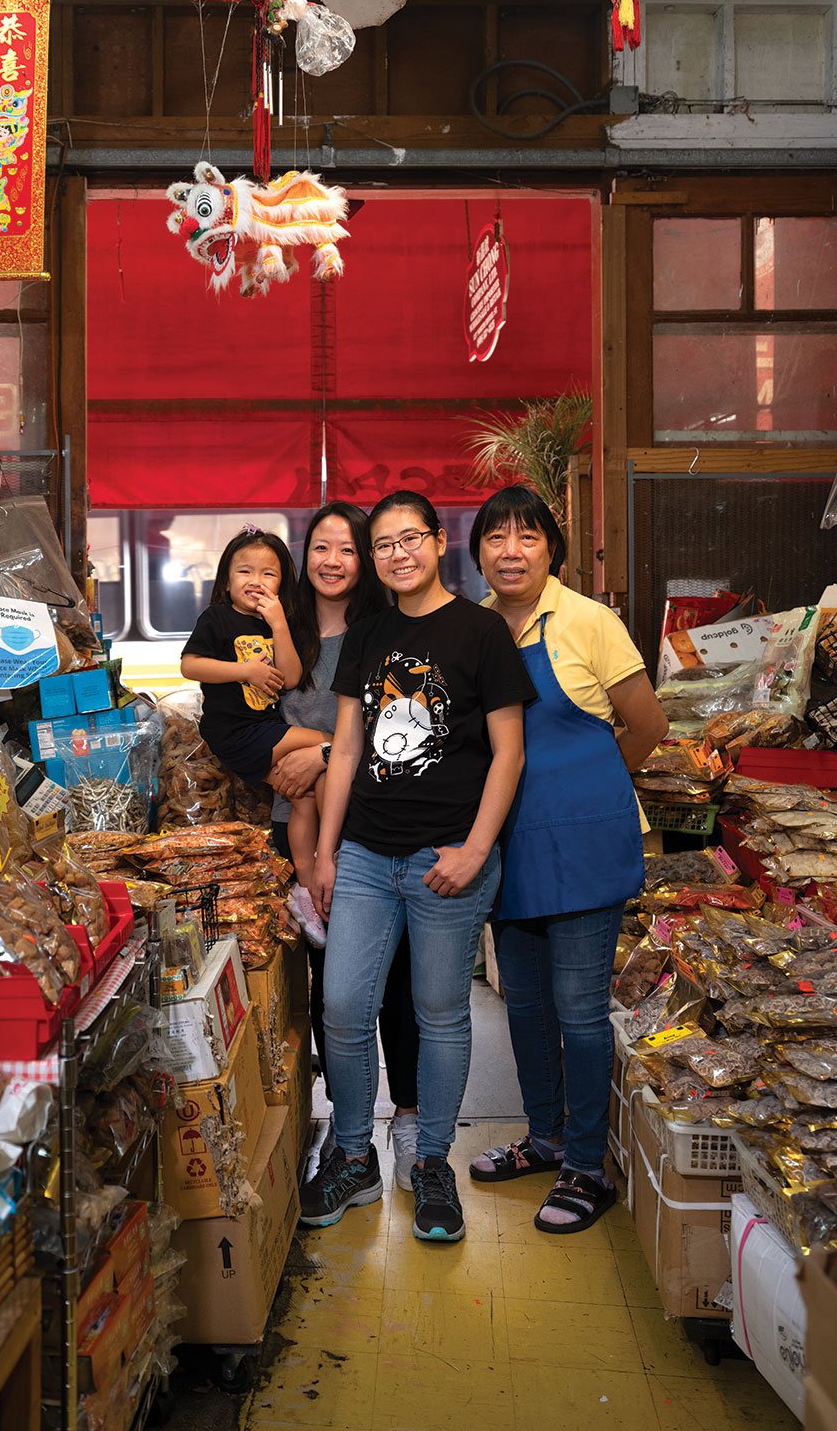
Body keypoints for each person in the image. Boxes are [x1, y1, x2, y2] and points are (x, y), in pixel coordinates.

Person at [299, 490, 535, 1242]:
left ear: (438, 542)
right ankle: (352, 1156)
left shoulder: (482, 631)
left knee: (439, 1012)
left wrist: (476, 850)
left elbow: (509, 753)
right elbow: (345, 751)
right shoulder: (367, 634)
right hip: (367, 855)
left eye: (410, 538)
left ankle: (432, 1161)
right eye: (383, 544)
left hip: (447, 861)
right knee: (343, 1006)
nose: (397, 554)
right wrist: (327, 853)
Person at [468, 484, 668, 1233]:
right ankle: (545, 1137)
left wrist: (590, 788)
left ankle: (587, 1165)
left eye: (527, 536)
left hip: (583, 841)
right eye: (496, 537)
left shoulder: (589, 621)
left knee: (581, 1012)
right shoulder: (473, 628)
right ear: (478, 552)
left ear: (552, 549)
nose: (511, 550)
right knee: (523, 1006)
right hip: (509, 843)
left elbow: (647, 724)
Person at [269, 501, 421, 1189]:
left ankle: (410, 1120)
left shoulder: (386, 633)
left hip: (373, 826)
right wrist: (300, 756)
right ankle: (347, 1127)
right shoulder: (280, 633)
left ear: (367, 559)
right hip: (292, 829)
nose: (332, 561)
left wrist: (325, 753)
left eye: (348, 549)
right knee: (328, 991)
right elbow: (244, 726)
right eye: (321, 548)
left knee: (396, 984)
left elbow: (402, 729)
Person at [180, 527, 327, 887]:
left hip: (264, 728)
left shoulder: (278, 624)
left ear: (282, 585)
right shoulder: (216, 618)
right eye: (244, 571)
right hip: (236, 731)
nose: (255, 581)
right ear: (227, 580)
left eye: (268, 574)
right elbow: (190, 666)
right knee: (332, 742)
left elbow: (291, 678)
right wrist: (245, 671)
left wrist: (278, 623)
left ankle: (307, 884)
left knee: (304, 796)